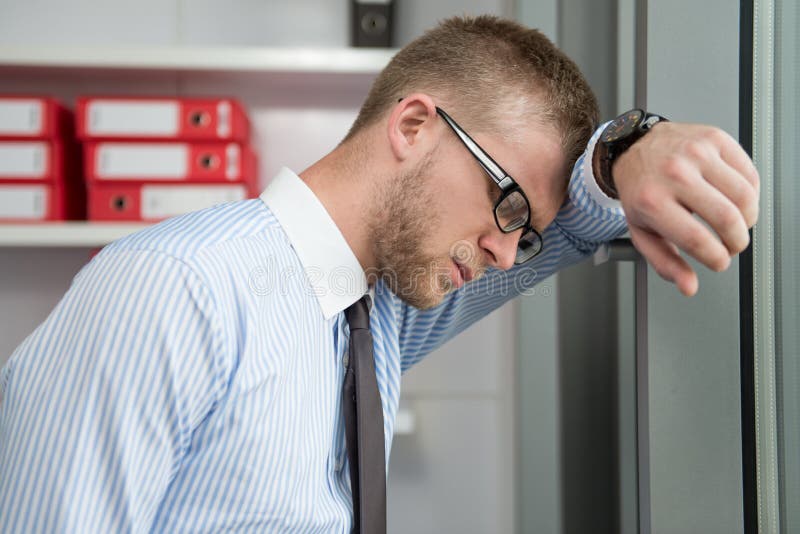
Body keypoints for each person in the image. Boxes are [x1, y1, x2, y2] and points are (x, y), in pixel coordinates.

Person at [0, 15, 758, 533]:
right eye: (510, 205)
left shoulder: (376, 313)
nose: (506, 252)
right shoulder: (175, 289)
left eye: (522, 233)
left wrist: (627, 149)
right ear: (414, 126)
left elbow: (572, 230)